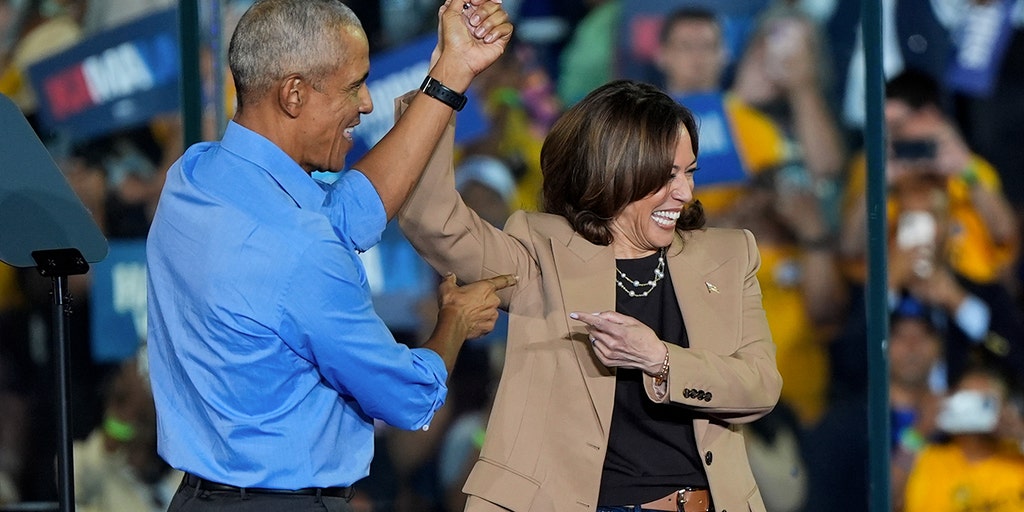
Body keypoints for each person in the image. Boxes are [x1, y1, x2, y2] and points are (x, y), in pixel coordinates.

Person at [145, 1, 514, 510]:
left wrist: (451, 70)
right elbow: (406, 397)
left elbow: (350, 212)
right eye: (353, 85)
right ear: (294, 93)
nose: (366, 103)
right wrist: (454, 321)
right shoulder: (298, 249)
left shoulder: (194, 176)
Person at [399, 79, 782, 511]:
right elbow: (434, 220)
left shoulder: (729, 257)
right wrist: (444, 87)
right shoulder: (541, 251)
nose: (685, 192)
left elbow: (760, 387)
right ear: (616, 170)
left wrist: (661, 361)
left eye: (689, 172)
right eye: (667, 175)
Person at [903, 362, 1024, 511]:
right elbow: (885, 496)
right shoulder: (927, 459)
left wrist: (1019, 431)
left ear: (1005, 405)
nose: (975, 412)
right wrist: (919, 431)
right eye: (967, 400)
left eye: (985, 402)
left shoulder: (1018, 457)